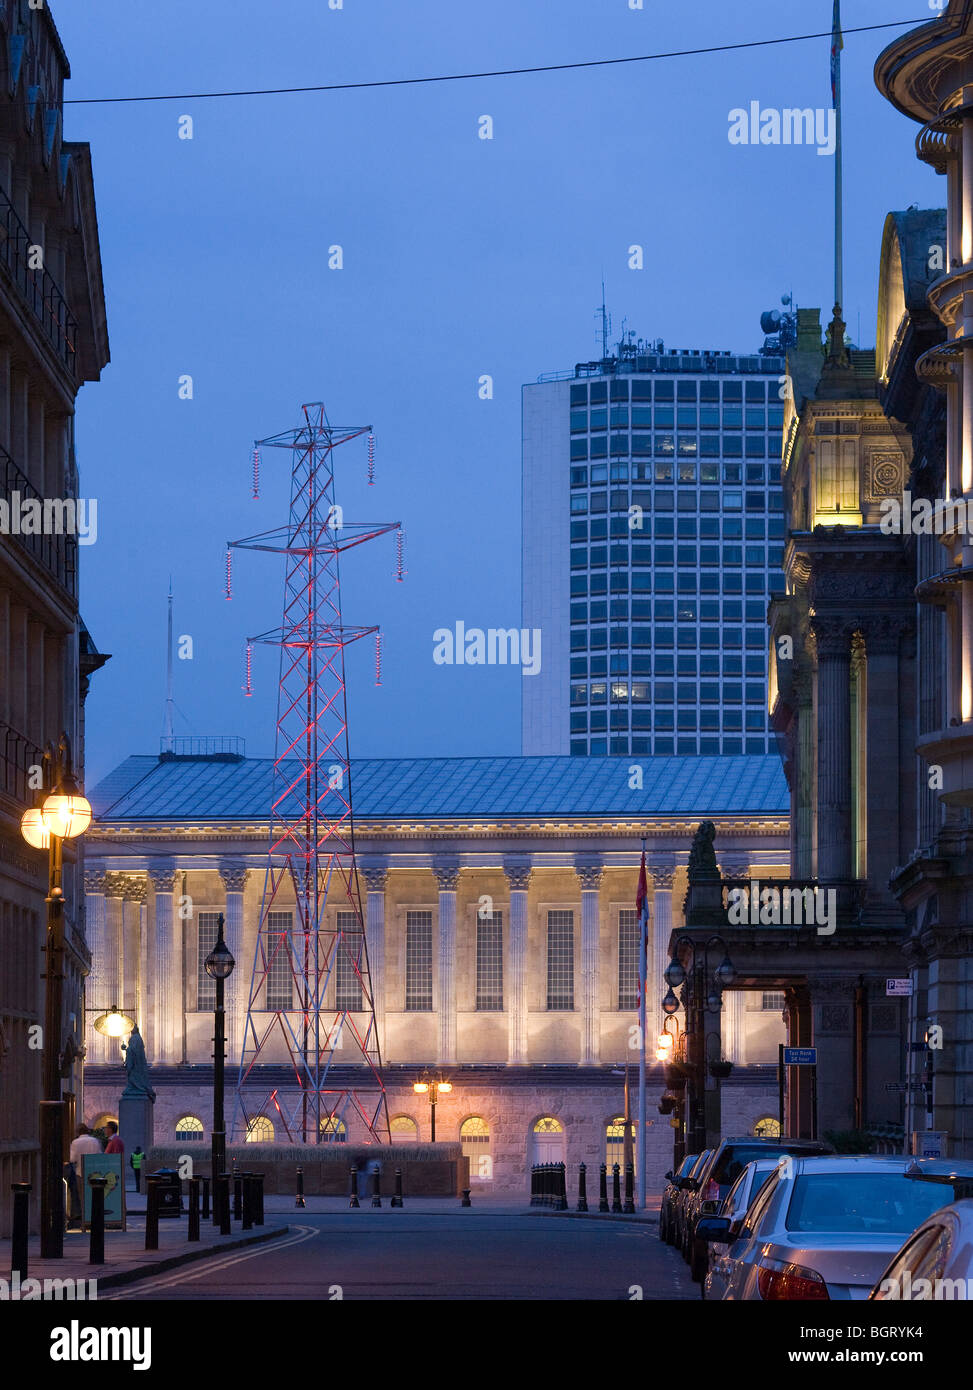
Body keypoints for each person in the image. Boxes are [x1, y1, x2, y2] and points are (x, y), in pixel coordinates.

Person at [67, 1125, 103, 1224]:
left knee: (82, 1196)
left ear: (78, 1132)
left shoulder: (75, 1142)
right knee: (95, 1196)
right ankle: (95, 1218)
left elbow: (72, 1159)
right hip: (95, 1172)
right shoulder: (95, 1141)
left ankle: (86, 1220)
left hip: (81, 1172)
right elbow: (100, 1155)